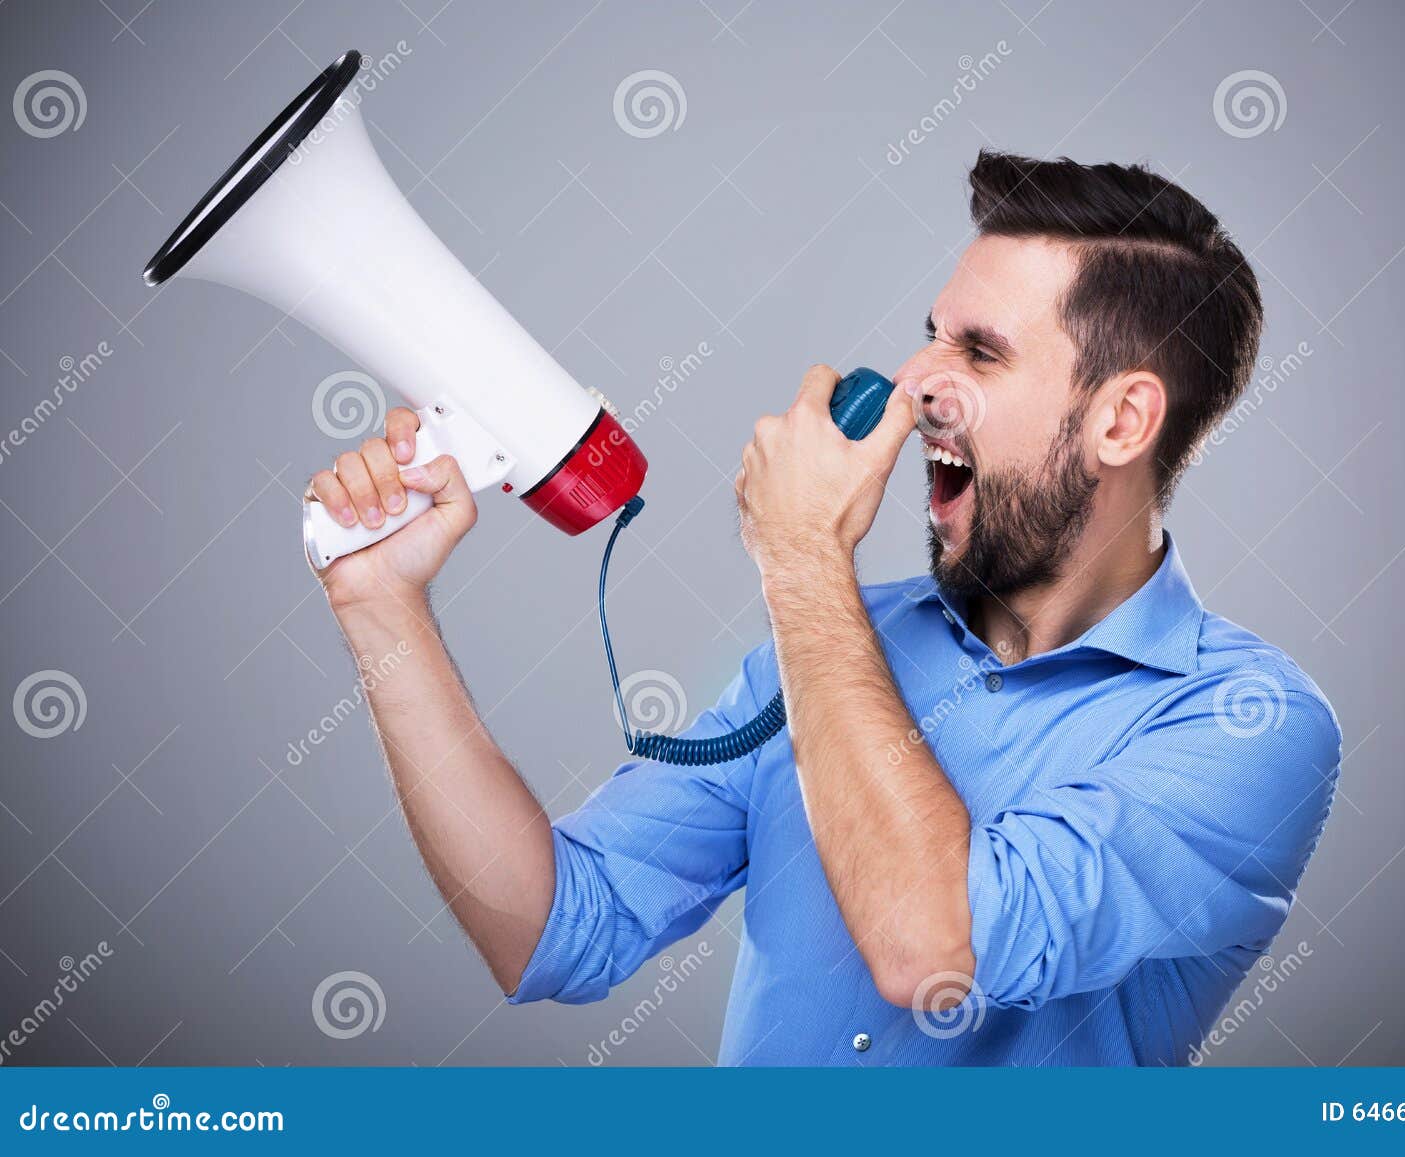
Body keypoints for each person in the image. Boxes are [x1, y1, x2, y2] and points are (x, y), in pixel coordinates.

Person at [304, 151, 1340, 1066]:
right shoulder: (828, 644)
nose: (913, 383)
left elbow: (938, 946)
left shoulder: (1248, 725)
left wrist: (801, 559)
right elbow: (551, 929)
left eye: (978, 352)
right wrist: (382, 606)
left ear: (1122, 419)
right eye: (929, 337)